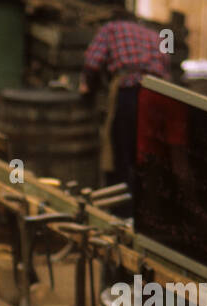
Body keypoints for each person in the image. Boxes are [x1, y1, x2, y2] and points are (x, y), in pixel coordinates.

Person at [79, 7, 170, 196]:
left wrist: (87, 88)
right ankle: (145, 201)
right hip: (157, 94)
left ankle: (121, 203)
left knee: (121, 151)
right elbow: (166, 65)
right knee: (147, 152)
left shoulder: (110, 29)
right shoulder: (153, 34)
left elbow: (92, 62)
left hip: (130, 92)